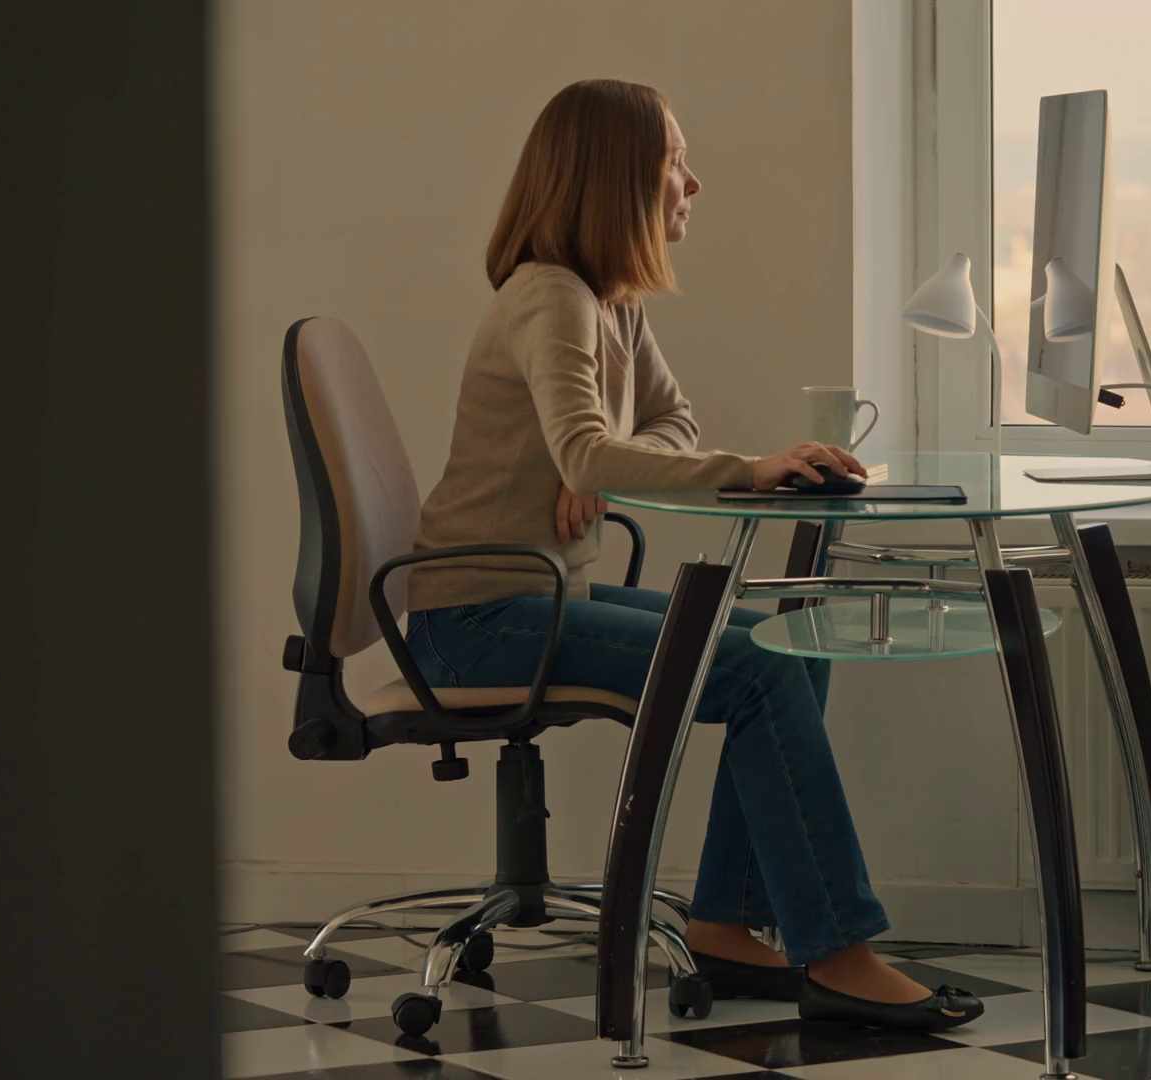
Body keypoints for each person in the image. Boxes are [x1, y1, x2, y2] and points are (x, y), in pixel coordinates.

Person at [403, 79, 982, 1031]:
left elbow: (670, 421)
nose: (694, 183)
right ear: (618, 180)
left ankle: (724, 923)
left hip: (534, 596)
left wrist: (598, 461)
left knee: (792, 642)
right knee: (761, 665)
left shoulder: (610, 301)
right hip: (473, 619)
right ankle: (836, 951)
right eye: (675, 162)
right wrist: (715, 467)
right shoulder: (551, 297)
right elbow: (589, 449)